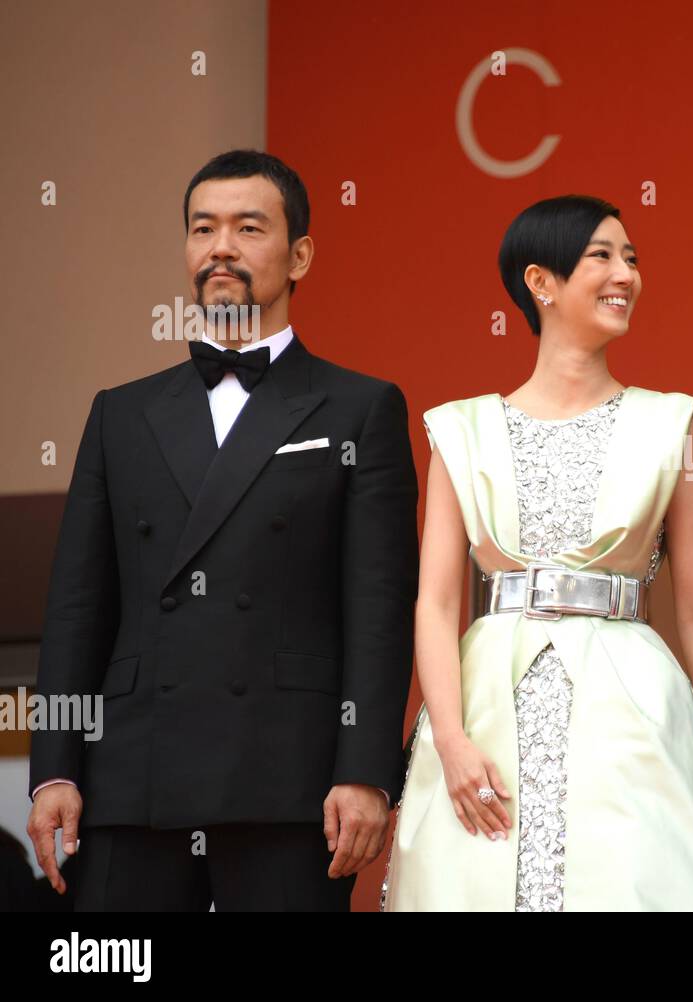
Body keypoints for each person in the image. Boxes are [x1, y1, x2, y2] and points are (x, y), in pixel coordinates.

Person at [26, 149, 419, 911]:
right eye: (203, 228)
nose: (221, 248)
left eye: (249, 227)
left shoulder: (360, 407)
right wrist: (55, 770)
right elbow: (77, 607)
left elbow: (377, 608)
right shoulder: (121, 412)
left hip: (289, 775)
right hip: (131, 773)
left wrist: (366, 770)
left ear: (300, 255)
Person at [383, 195, 693, 911]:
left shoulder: (671, 424)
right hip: (484, 709)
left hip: (634, 707)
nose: (626, 275)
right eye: (602, 256)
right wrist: (452, 742)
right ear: (540, 282)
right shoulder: (462, 430)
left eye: (632, 259)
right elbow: (435, 602)